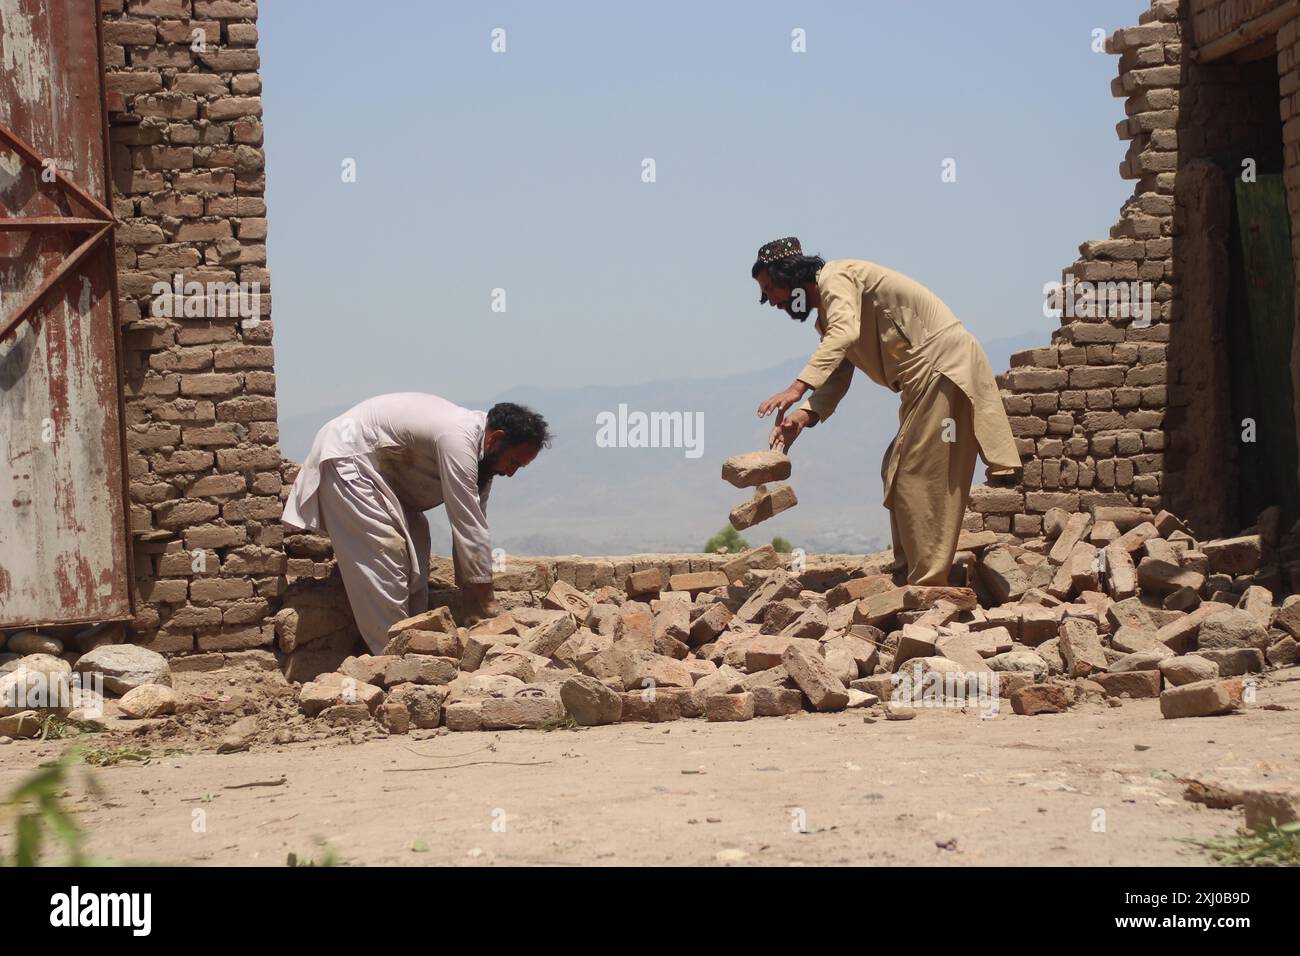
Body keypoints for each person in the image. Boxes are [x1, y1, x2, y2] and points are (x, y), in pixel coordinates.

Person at [751, 237, 1020, 586]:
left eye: (771, 289)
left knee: (915, 473)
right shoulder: (829, 315)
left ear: (789, 275)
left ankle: (926, 584)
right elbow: (837, 373)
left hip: (939, 366)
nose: (771, 302)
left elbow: (843, 336)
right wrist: (802, 417)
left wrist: (796, 388)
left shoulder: (835, 278)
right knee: (895, 466)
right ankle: (909, 569)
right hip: (923, 379)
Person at [282, 393, 550, 652]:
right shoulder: (458, 439)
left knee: (417, 550)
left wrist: (473, 609)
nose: (511, 473)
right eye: (513, 462)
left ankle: (416, 640)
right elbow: (468, 528)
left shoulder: (484, 461)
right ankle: (392, 657)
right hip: (349, 457)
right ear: (496, 439)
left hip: (386, 478)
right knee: (385, 552)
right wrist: (486, 606)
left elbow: (473, 530)